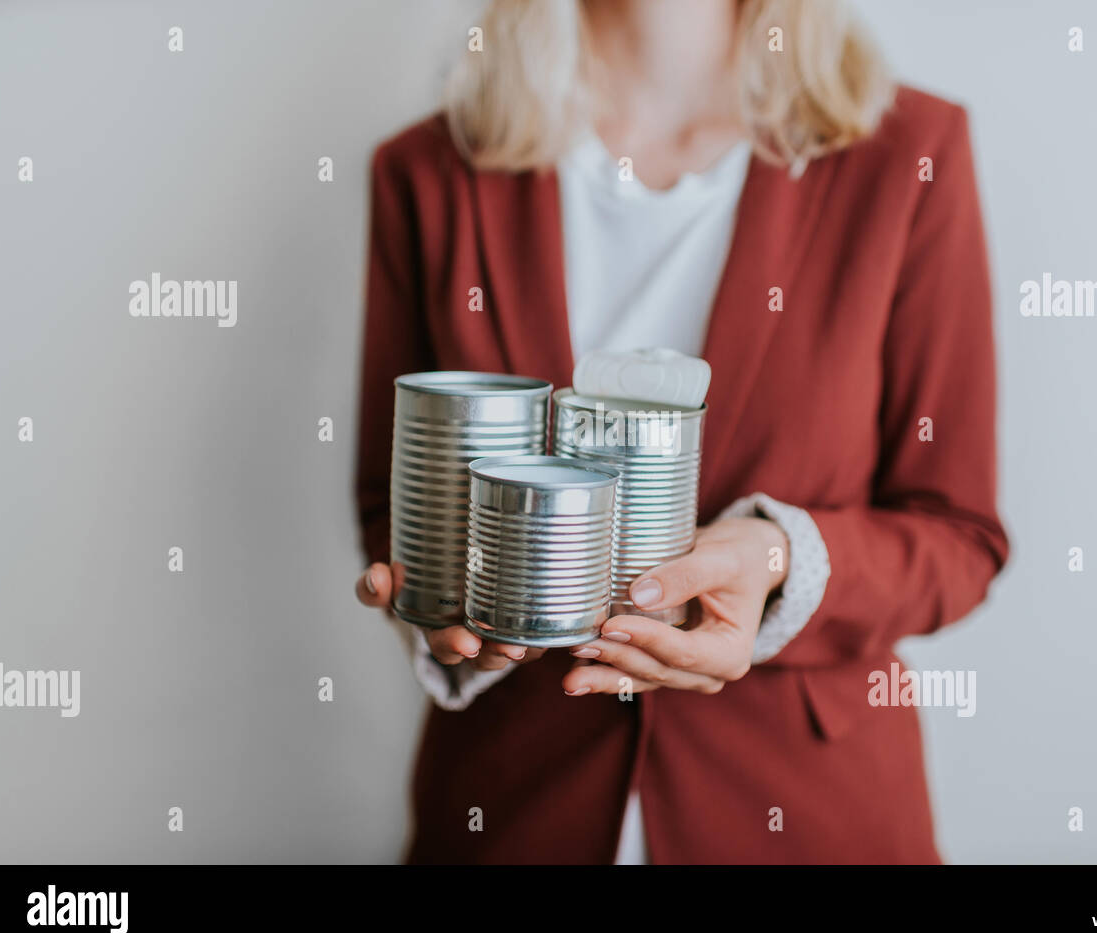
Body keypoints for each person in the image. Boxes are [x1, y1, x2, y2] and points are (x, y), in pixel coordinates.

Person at [354, 0, 1008, 864]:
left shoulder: (909, 154)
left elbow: (957, 535)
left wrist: (775, 558)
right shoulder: (432, 170)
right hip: (511, 813)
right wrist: (454, 618)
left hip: (811, 818)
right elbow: (391, 501)